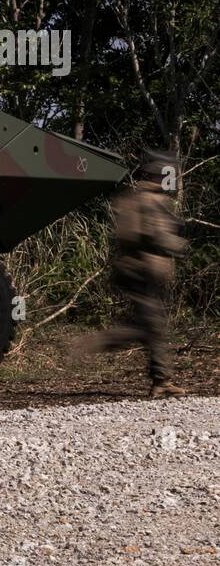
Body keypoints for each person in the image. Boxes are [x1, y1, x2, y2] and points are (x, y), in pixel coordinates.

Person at [81, 150, 188, 398]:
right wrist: (177, 241)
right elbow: (153, 236)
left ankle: (161, 380)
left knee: (152, 326)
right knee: (150, 327)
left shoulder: (135, 198)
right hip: (143, 273)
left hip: (140, 272)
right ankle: (95, 343)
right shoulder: (149, 201)